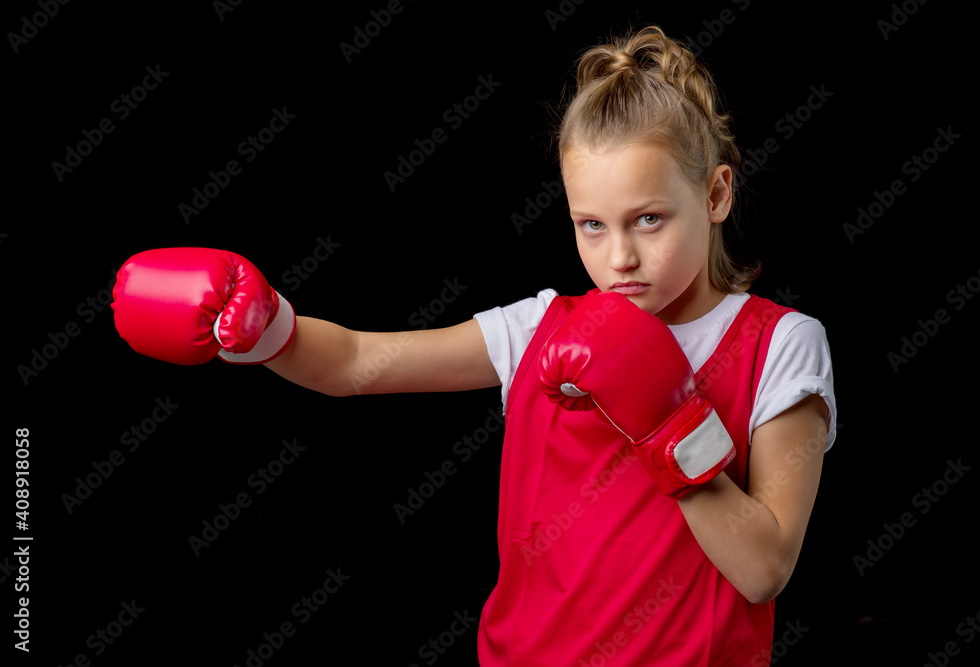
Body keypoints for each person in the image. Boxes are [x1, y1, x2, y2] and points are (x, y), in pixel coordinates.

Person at [112, 25, 835, 665]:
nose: (619, 258)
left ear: (715, 195)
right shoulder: (540, 327)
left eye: (648, 219)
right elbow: (359, 364)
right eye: (591, 225)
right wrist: (267, 325)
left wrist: (668, 423)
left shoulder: (781, 344)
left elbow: (764, 567)